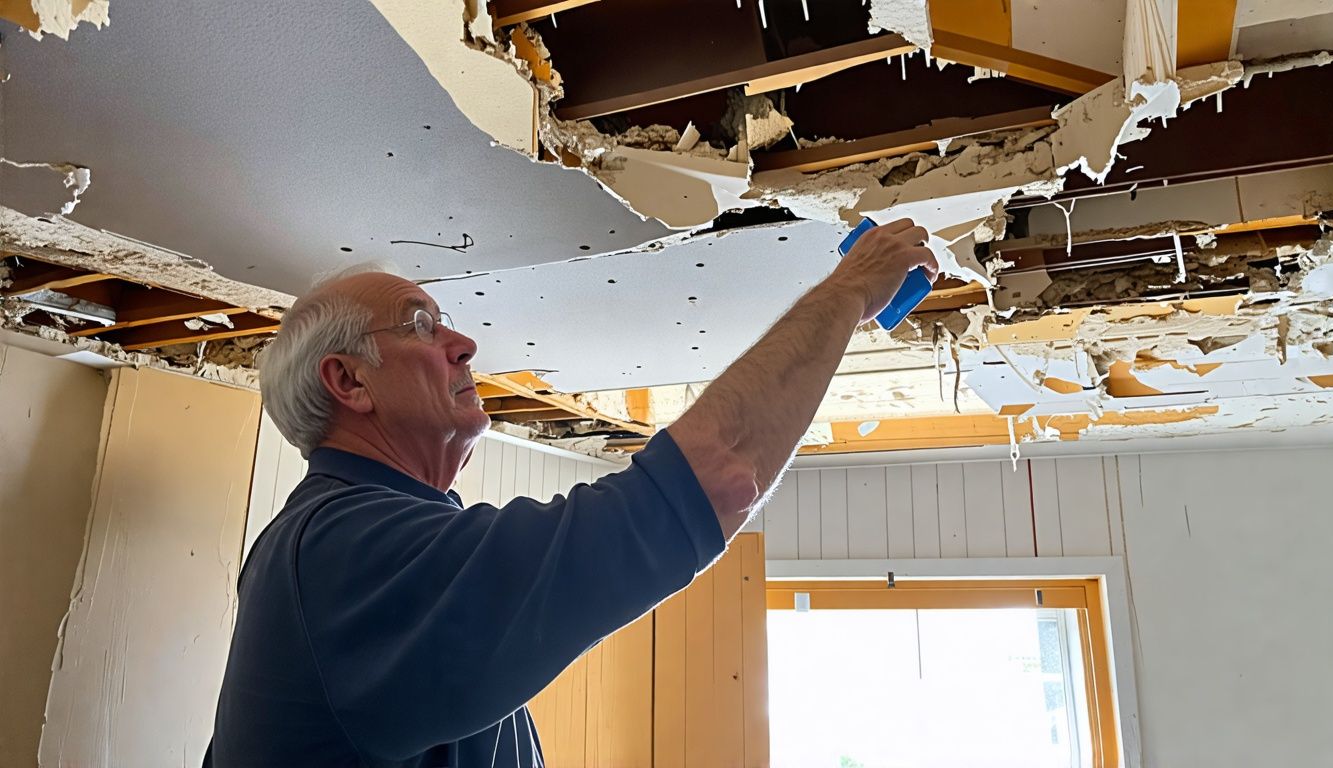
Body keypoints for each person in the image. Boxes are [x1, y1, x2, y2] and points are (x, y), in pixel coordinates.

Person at [205, 219, 936, 767]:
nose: (463, 344)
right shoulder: (346, 552)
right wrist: (847, 295)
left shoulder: (366, 539)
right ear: (350, 381)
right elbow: (716, 478)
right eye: (423, 326)